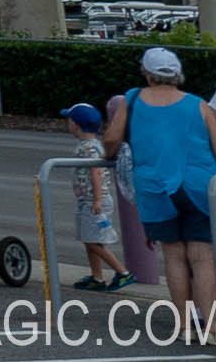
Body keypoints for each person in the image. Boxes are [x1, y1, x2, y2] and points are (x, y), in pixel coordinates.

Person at [102, 45, 216, 328]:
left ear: (147, 73)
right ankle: (211, 326)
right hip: (200, 185)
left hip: (155, 186)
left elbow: (111, 140)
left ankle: (184, 325)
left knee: (173, 255)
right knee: (203, 256)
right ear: (177, 74)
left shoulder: (131, 100)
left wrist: (110, 156)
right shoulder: (198, 104)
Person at [62, 102, 133, 293]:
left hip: (93, 200)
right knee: (90, 238)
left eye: (69, 121)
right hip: (91, 199)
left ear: (76, 125)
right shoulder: (93, 144)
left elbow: (96, 172)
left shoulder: (88, 148)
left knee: (93, 241)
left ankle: (122, 272)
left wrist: (96, 200)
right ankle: (97, 276)